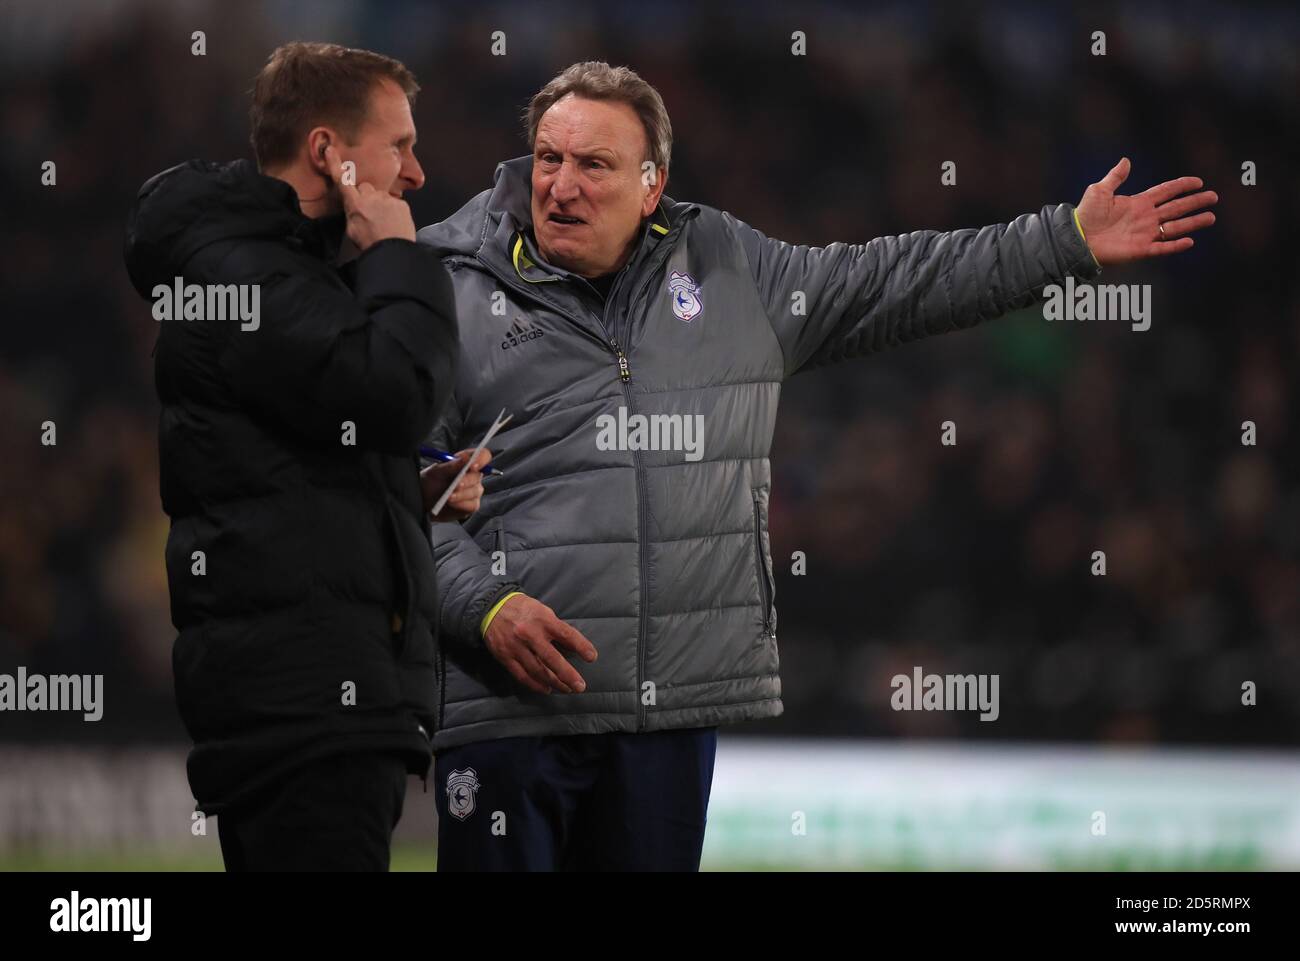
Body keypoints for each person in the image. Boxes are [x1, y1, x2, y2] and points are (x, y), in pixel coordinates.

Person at [417, 61, 1217, 871]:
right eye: (548, 158)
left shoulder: (729, 270)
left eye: (594, 165)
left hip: (667, 715)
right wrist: (485, 606)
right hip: (508, 711)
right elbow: (399, 496)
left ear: (652, 186)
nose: (561, 185)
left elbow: (898, 281)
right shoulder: (446, 290)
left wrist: (1063, 242)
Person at [123, 41, 488, 871]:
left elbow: (296, 460)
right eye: (398, 145)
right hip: (309, 711)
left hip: (306, 700)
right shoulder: (249, 274)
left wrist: (408, 492)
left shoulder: (277, 270)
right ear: (328, 151)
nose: (418, 174)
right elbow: (397, 390)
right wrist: (399, 253)